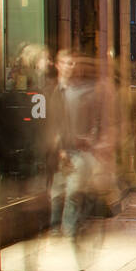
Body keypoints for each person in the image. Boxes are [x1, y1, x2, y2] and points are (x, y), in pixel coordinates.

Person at [50, 51, 106, 239]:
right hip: (58, 150)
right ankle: (57, 227)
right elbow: (51, 122)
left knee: (74, 190)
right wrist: (58, 149)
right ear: (57, 65)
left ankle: (69, 229)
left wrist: (92, 137)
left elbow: (95, 118)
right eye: (66, 63)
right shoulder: (53, 91)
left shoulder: (82, 91)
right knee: (57, 192)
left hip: (77, 149)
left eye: (73, 63)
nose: (71, 67)